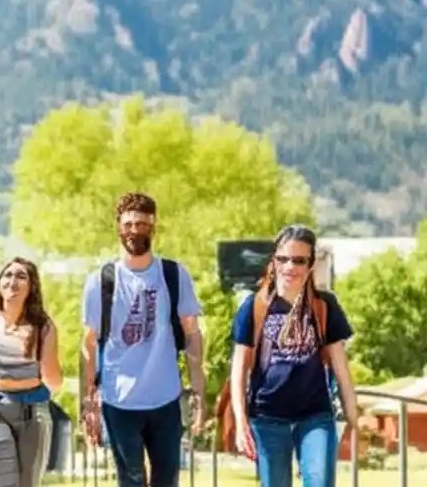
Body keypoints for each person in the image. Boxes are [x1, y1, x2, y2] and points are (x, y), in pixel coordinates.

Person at [80, 192, 206, 487]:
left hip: (165, 397)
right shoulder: (101, 281)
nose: (135, 230)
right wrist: (89, 401)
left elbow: (192, 334)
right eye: (128, 224)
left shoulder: (173, 274)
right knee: (131, 480)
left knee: (167, 480)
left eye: (142, 224)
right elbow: (88, 343)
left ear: (154, 227)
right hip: (118, 400)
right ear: (118, 227)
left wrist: (197, 387)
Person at [229, 225, 358, 487]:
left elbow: (341, 368)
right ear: (273, 261)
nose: (290, 267)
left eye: (299, 260)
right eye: (283, 259)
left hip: (315, 416)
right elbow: (238, 370)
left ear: (310, 265)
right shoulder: (254, 307)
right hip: (266, 418)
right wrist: (241, 423)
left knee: (319, 482)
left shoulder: (324, 306)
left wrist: (354, 420)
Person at [0, 257, 63, 487]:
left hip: (34, 412)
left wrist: (44, 360)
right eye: (7, 275)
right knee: (0, 483)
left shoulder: (43, 327)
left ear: (31, 287)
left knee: (28, 484)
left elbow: (53, 381)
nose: (12, 281)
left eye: (21, 276)